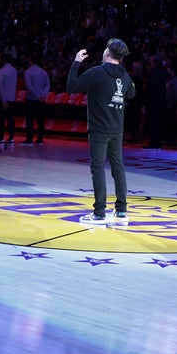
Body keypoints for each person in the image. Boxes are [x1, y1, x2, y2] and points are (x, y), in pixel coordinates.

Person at [67, 38, 136, 225]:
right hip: (117, 129)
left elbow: (71, 87)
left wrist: (76, 62)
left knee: (98, 168)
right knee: (118, 167)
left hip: (99, 130)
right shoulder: (124, 75)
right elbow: (131, 94)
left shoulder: (97, 72)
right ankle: (121, 211)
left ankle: (99, 213)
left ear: (107, 53)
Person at [21, 56, 49, 145]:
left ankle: (29, 138)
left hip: (31, 99)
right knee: (40, 119)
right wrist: (43, 94)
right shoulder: (43, 72)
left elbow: (29, 86)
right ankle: (40, 139)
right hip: (41, 99)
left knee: (30, 119)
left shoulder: (28, 72)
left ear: (30, 61)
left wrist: (36, 95)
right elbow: (47, 85)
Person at [0, 57, 18, 146]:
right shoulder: (14, 70)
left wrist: (3, 99)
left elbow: (0, 85)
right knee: (10, 119)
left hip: (2, 98)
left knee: (1, 119)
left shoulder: (1, 71)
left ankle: (1, 138)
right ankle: (11, 137)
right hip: (11, 98)